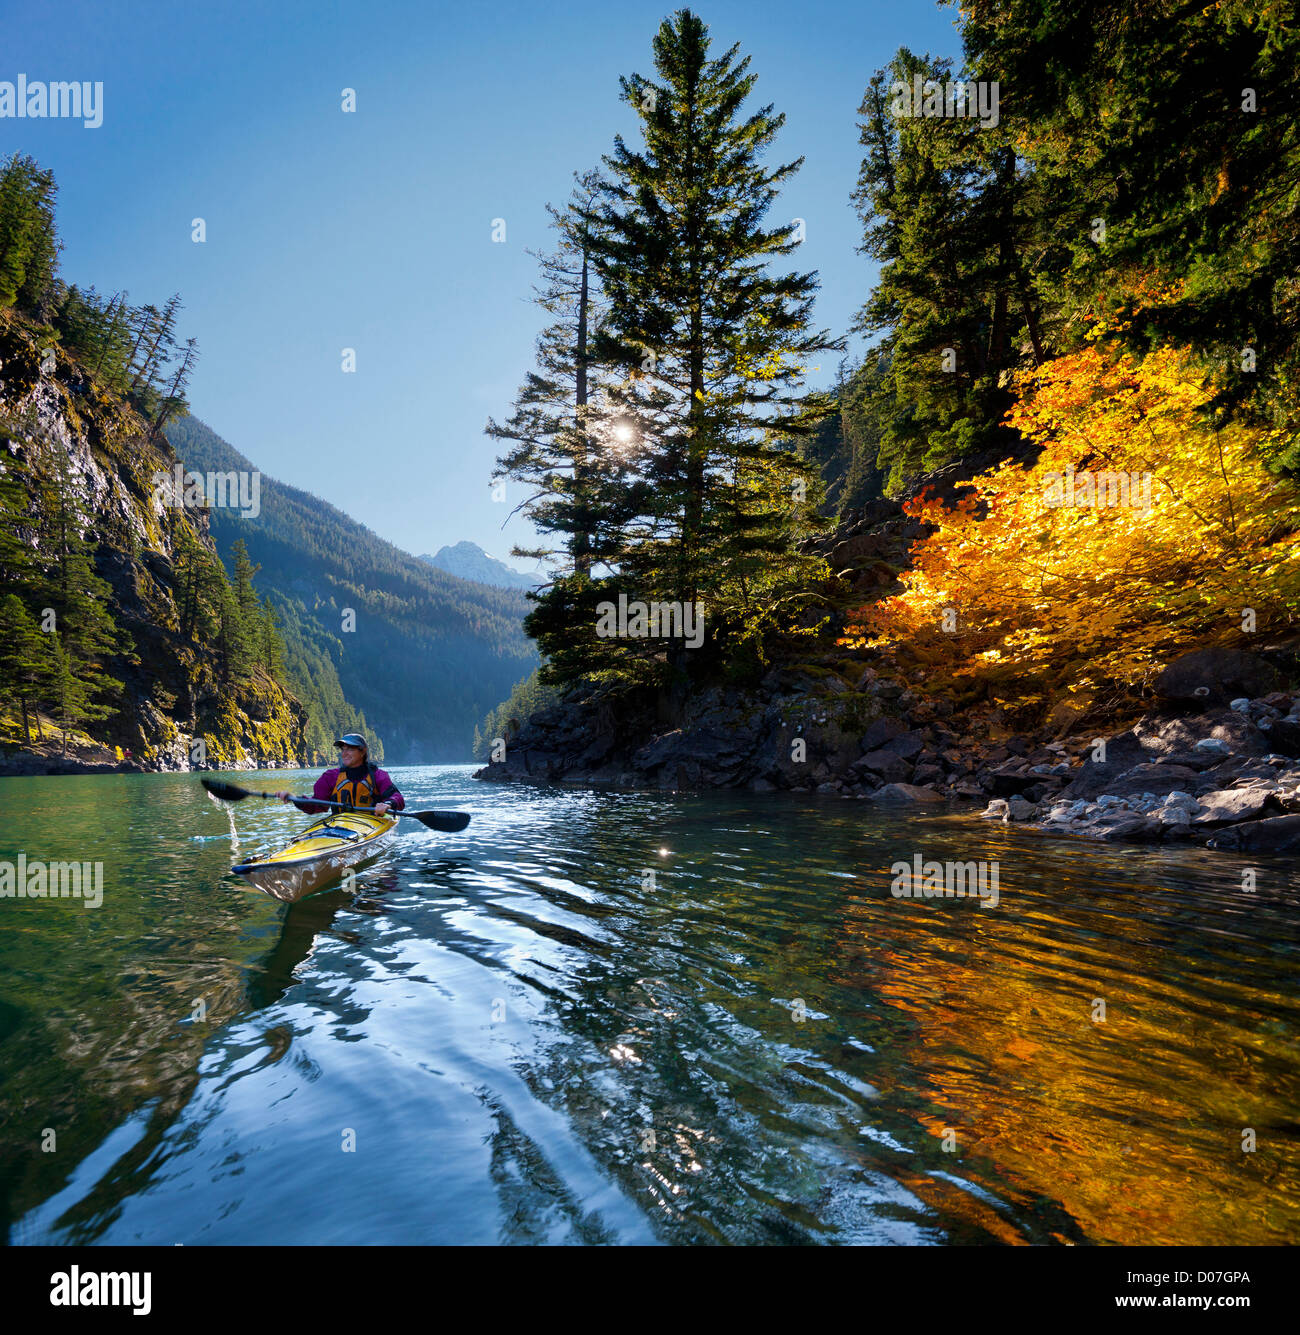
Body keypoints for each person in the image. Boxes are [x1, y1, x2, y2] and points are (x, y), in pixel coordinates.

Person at [276, 733, 405, 817]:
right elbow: (316, 805)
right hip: (340, 826)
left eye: (350, 749)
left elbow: (398, 798)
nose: (344, 753)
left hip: (372, 823)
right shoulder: (330, 777)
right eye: (343, 749)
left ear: (362, 752)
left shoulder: (378, 776)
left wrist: (388, 804)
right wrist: (295, 799)